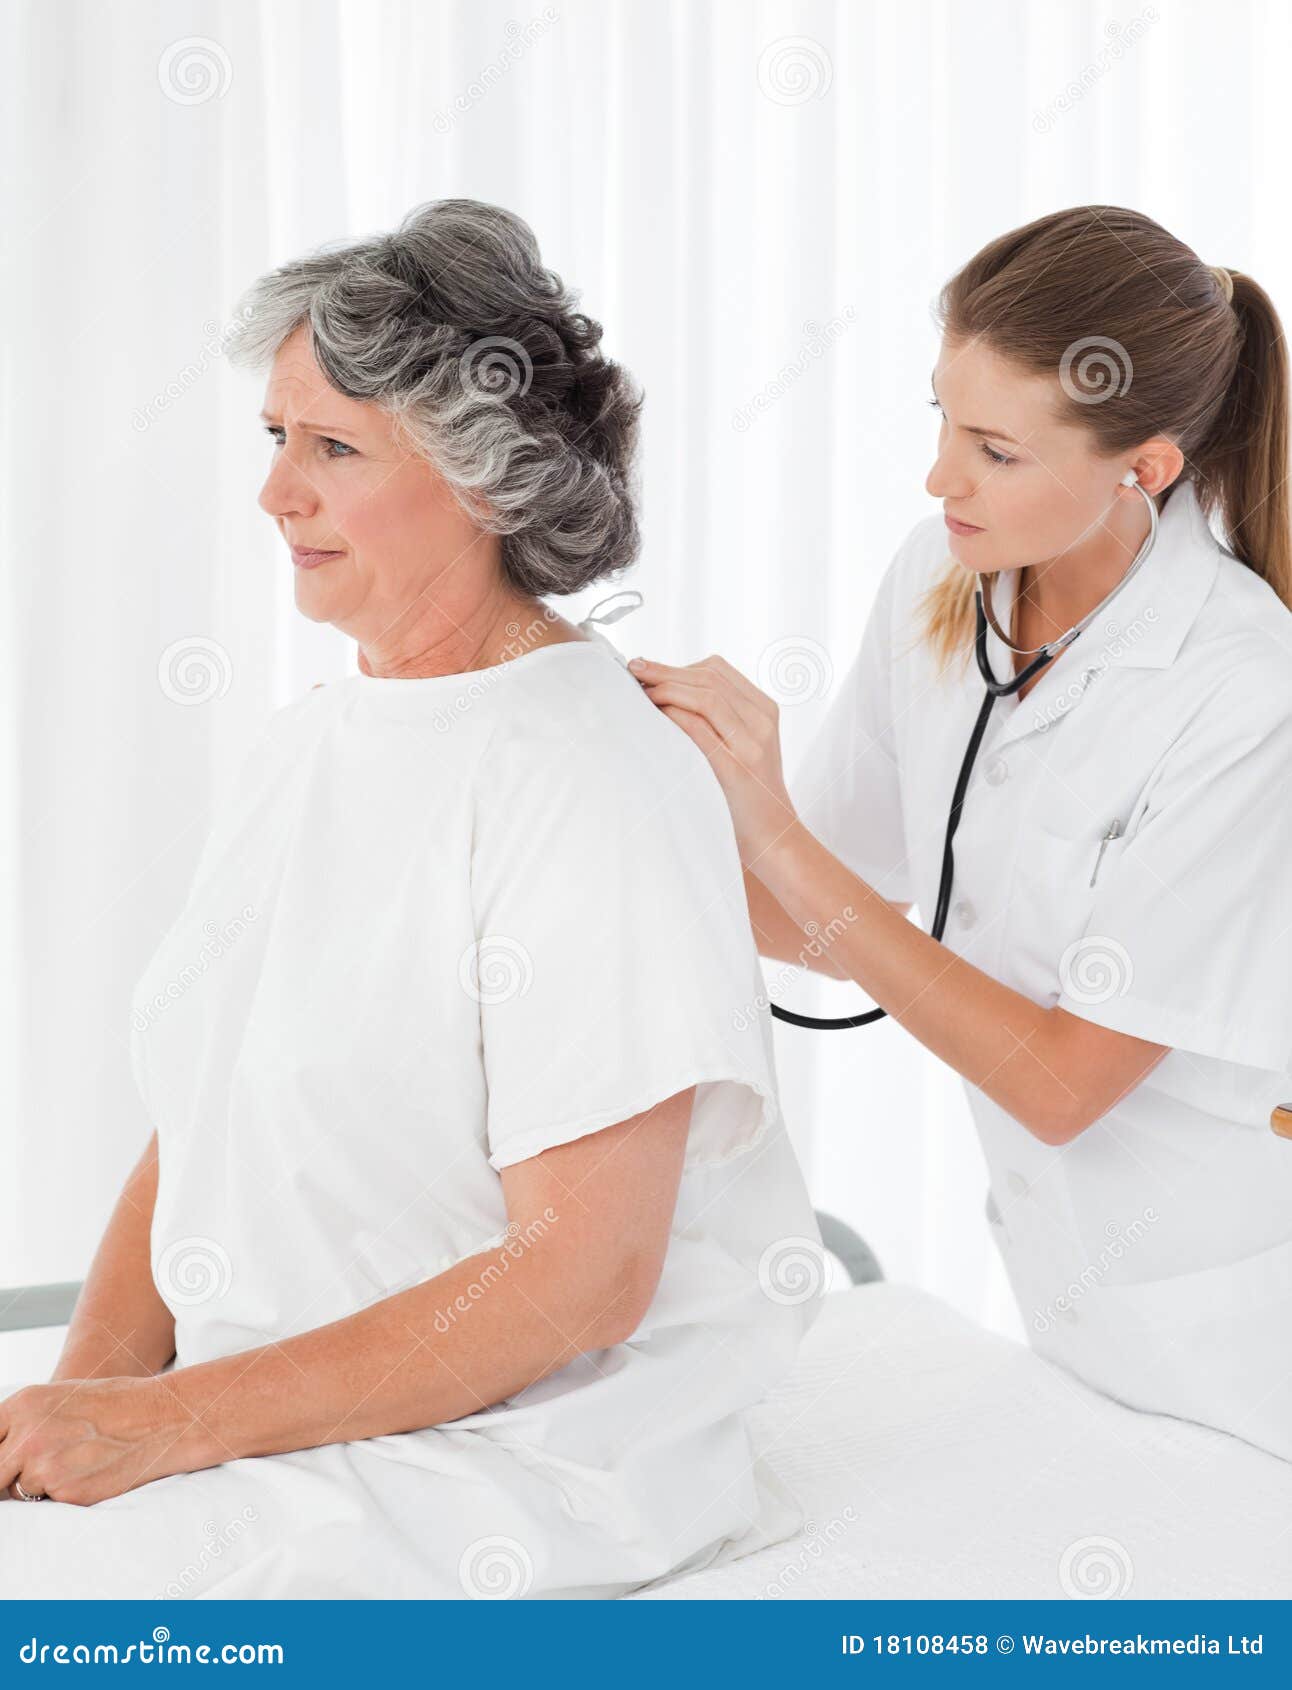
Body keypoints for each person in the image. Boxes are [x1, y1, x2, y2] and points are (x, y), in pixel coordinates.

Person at [0, 199, 822, 1598]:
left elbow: (583, 1276)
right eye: (276, 438)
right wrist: (79, 1403)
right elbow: (201, 1117)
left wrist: (173, 1419)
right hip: (279, 1408)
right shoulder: (310, 742)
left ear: (487, 479)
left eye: (333, 447)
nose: (275, 492)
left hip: (512, 1454)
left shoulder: (587, 775)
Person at [629, 205, 1292, 1463]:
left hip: (1243, 1331)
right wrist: (628, 805)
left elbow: (1057, 1083)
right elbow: (835, 921)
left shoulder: (1243, 695)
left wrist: (768, 827)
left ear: (1140, 468)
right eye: (940, 415)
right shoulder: (937, 586)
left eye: (993, 447)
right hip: (1076, 1315)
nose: (939, 475)